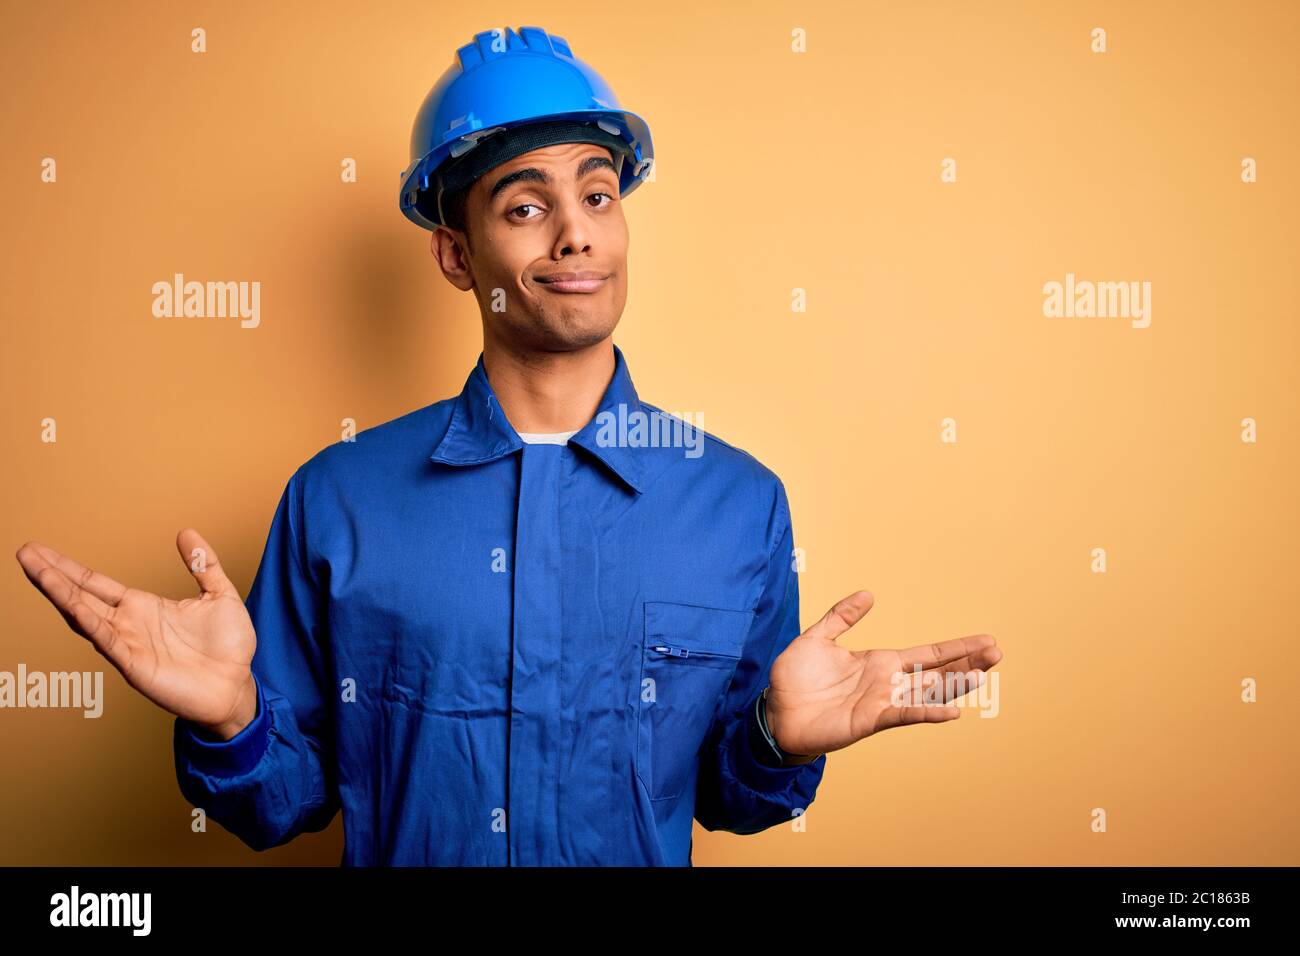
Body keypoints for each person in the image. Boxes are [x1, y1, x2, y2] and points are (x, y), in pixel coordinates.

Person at [14, 26, 1003, 866]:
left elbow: (732, 799)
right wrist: (231, 721)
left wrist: (774, 743)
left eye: (599, 195)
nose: (574, 234)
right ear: (456, 254)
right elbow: (279, 805)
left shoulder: (739, 503)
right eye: (526, 207)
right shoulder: (338, 498)